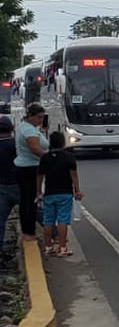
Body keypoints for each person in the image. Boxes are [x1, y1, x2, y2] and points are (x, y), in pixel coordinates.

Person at [37, 131, 81, 258]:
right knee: (63, 219)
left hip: (49, 193)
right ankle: (62, 247)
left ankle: (48, 247)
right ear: (63, 142)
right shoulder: (69, 157)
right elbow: (74, 175)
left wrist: (39, 190)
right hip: (65, 193)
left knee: (48, 220)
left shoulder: (45, 158)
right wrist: (77, 190)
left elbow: (40, 175)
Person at [14, 104, 49, 243]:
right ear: (31, 116)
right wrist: (49, 159)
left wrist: (41, 132)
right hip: (29, 168)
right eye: (39, 117)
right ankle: (29, 232)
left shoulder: (26, 127)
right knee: (30, 200)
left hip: (26, 167)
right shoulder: (28, 130)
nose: (41, 120)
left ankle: (28, 231)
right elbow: (34, 148)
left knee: (27, 200)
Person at [0, 117, 19, 263]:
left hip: (2, 188)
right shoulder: (17, 145)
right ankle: (54, 233)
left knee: (1, 220)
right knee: (33, 210)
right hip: (19, 185)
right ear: (11, 129)